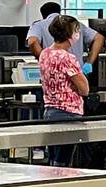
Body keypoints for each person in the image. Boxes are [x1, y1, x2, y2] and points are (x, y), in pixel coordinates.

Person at [38, 14, 89, 167]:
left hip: (50, 111)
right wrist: (74, 86)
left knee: (54, 158)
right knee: (64, 161)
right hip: (69, 113)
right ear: (68, 34)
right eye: (76, 31)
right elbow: (85, 89)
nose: (77, 34)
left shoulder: (44, 53)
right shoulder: (68, 58)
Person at [27, 1, 103, 69]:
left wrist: (45, 60)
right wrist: (89, 63)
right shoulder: (75, 24)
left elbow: (32, 42)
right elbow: (99, 38)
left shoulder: (38, 25)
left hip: (52, 70)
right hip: (77, 69)